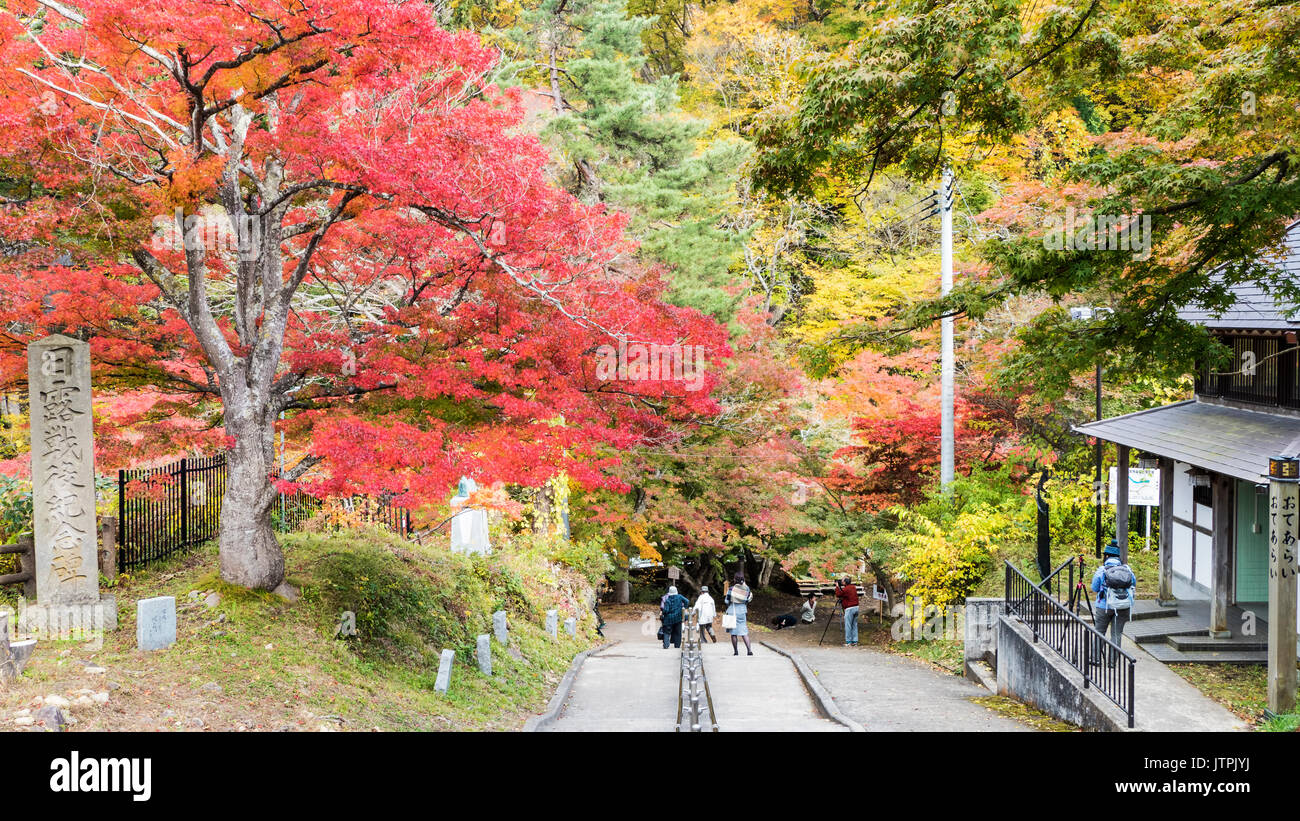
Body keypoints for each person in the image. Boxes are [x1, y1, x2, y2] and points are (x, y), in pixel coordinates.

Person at [1090, 539, 1137, 667]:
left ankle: (1095, 660)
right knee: (1116, 635)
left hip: (1103, 606)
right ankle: (1112, 663)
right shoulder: (1127, 569)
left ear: (1106, 556)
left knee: (1100, 632)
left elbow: (1094, 588)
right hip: (1122, 606)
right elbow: (1133, 584)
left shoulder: (1102, 570)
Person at [724, 572, 754, 656]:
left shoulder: (731, 589)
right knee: (744, 632)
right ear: (743, 579)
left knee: (733, 633)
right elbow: (748, 599)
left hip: (732, 611)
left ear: (734, 579)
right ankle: (749, 650)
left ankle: (736, 651)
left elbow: (726, 601)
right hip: (742, 611)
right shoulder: (746, 589)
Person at [835, 576, 860, 646]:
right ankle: (855, 641)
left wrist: (837, 586)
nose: (841, 582)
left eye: (842, 581)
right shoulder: (853, 587)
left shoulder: (846, 589)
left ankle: (848, 642)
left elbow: (838, 594)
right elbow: (845, 594)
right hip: (856, 607)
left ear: (845, 582)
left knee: (848, 625)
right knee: (854, 625)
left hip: (850, 608)